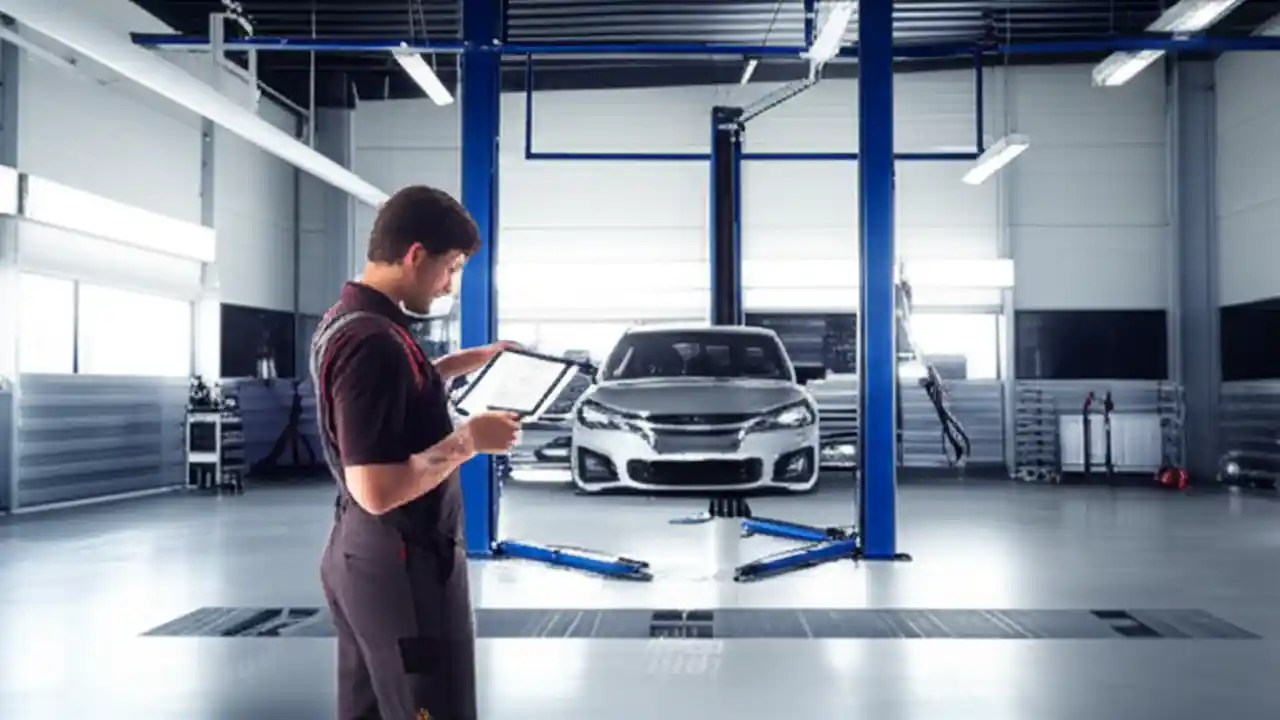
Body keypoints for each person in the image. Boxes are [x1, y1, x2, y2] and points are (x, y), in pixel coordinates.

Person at [310, 185, 521, 720]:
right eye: (449, 268)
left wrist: (458, 363)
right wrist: (470, 440)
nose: (449, 284)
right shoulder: (373, 343)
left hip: (366, 558)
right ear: (415, 255)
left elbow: (390, 393)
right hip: (400, 566)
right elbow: (376, 489)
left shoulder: (351, 318)